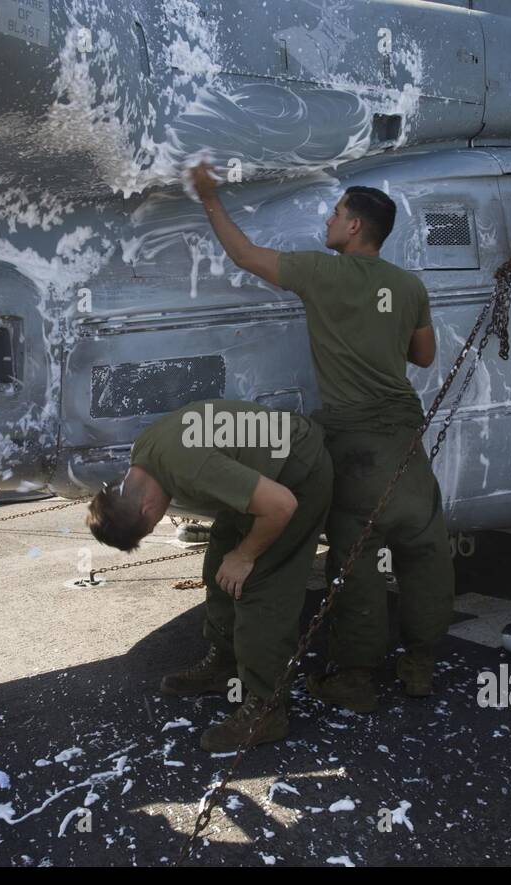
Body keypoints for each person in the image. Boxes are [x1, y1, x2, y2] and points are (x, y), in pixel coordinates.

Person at [188, 162, 456, 713]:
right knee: (424, 548)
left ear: (355, 226)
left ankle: (356, 678)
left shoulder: (319, 272)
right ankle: (420, 666)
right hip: (406, 436)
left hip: (354, 441)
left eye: (335, 214)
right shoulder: (409, 286)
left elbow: (244, 255)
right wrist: (382, 335)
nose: (328, 222)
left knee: (358, 557)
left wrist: (209, 197)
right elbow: (424, 356)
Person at [87, 399, 332, 751]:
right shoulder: (143, 456)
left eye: (148, 526)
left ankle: (267, 707)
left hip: (297, 471)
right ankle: (226, 662)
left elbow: (281, 506)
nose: (156, 524)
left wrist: (246, 555)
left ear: (145, 508)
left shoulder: (188, 467)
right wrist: (233, 554)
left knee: (260, 583)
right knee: (220, 557)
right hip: (265, 471)